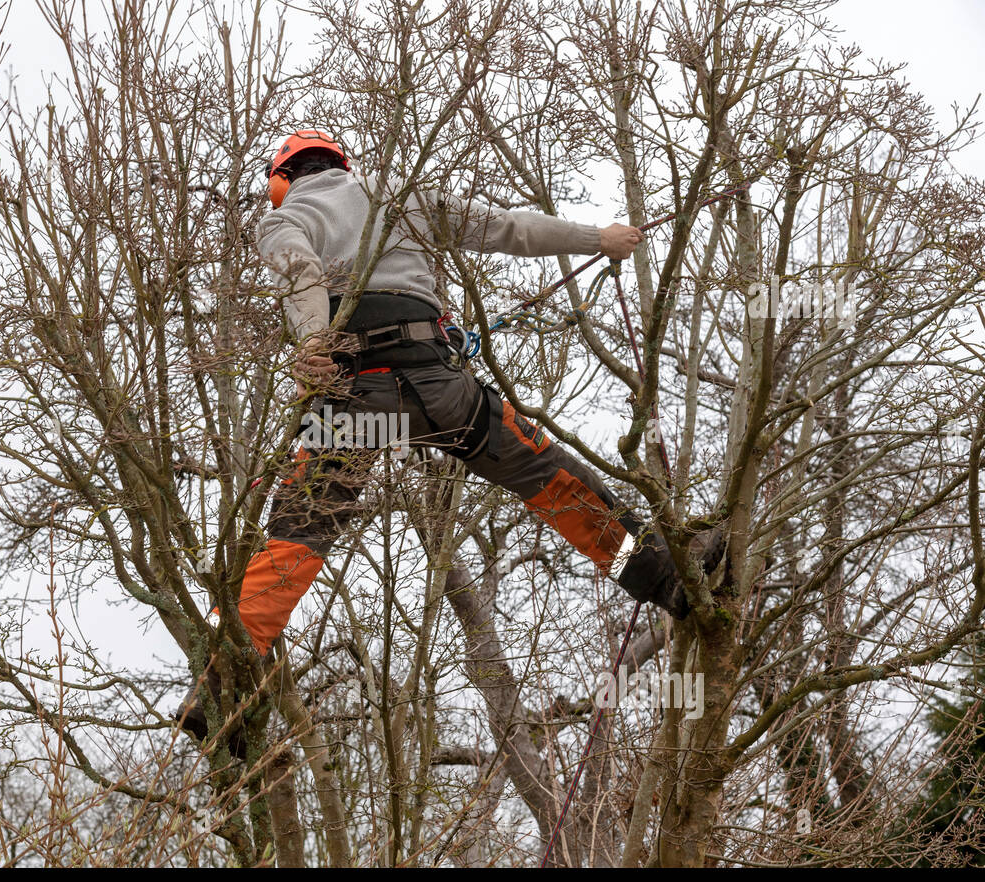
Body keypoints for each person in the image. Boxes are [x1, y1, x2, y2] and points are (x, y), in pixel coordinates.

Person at [175, 129, 719, 749]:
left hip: (356, 401)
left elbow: (300, 270)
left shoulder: (285, 217)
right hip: (440, 389)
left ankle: (218, 688)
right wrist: (600, 238)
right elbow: (506, 228)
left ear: (281, 180)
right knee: (551, 480)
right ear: (343, 163)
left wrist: (311, 342)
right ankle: (665, 578)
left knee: (294, 537)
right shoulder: (399, 197)